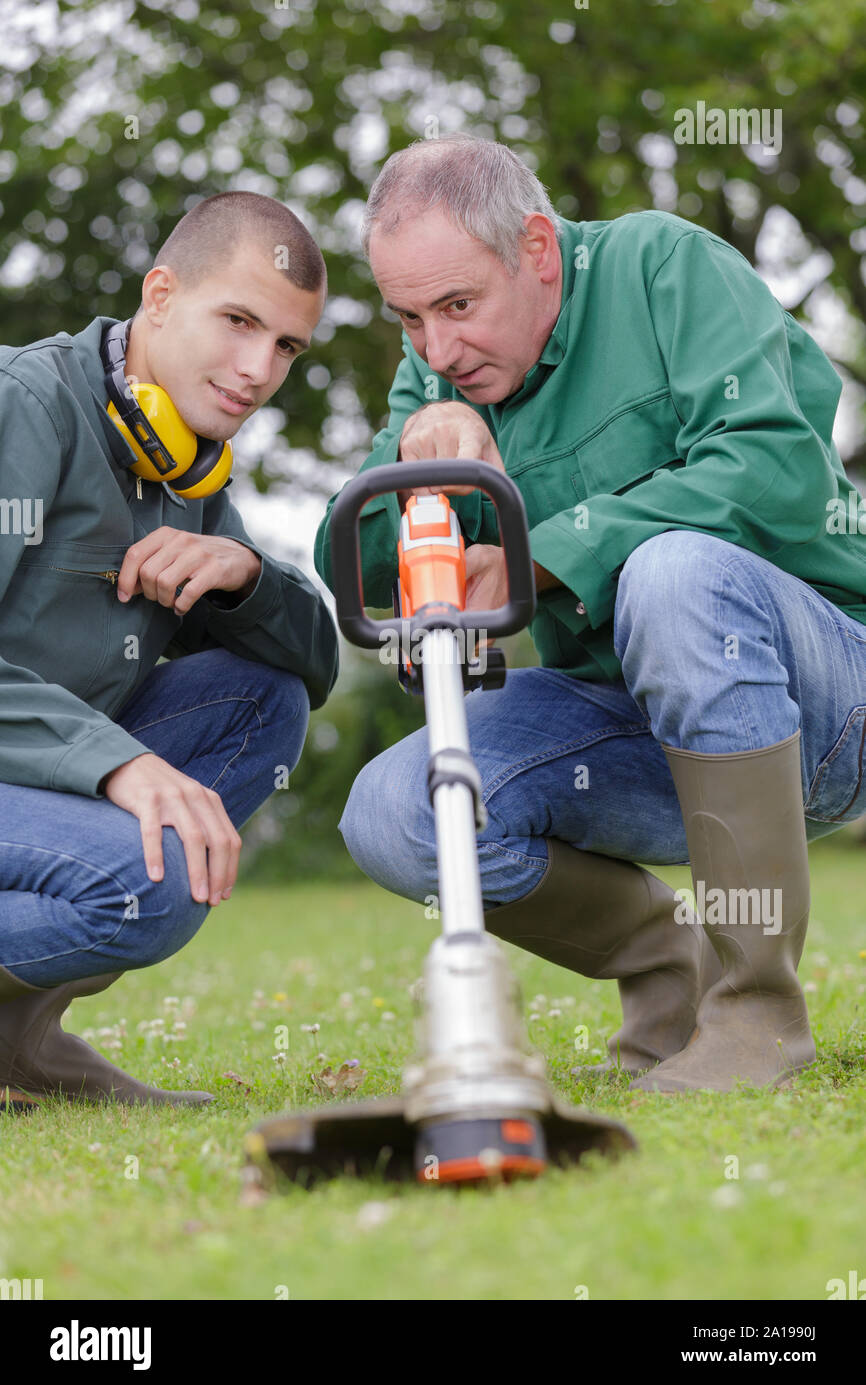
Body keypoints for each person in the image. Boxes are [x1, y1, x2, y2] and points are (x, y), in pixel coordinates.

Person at [315, 133, 866, 1093]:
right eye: (408, 319)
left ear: (536, 248)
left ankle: (758, 1016)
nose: (438, 347)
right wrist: (413, 468)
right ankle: (673, 966)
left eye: (457, 306)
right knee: (396, 816)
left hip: (827, 696)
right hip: (629, 729)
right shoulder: (438, 373)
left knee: (673, 573)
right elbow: (359, 575)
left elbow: (774, 467)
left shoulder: (665, 267)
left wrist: (541, 555)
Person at [0, 191, 338, 1110]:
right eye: (239, 322)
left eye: (286, 348)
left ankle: (13, 1045)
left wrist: (246, 574)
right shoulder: (25, 405)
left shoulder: (186, 457)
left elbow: (313, 666)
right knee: (144, 888)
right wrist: (116, 766)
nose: (258, 369)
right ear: (159, 296)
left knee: (262, 694)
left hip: (29, 791)